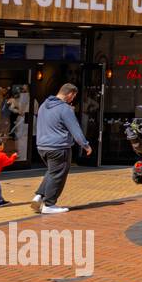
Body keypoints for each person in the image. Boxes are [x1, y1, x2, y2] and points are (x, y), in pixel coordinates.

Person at [32, 83, 90, 214]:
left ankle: (39, 196)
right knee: (58, 174)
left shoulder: (43, 105)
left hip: (42, 146)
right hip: (59, 147)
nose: (73, 99)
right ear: (70, 94)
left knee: (53, 171)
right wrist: (85, 145)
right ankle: (49, 205)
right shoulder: (65, 109)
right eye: (73, 96)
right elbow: (75, 129)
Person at [0, 137, 15, 207]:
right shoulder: (1, 155)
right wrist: (13, 156)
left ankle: (0, 201)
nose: (3, 146)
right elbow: (8, 162)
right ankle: (0, 201)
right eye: (2, 145)